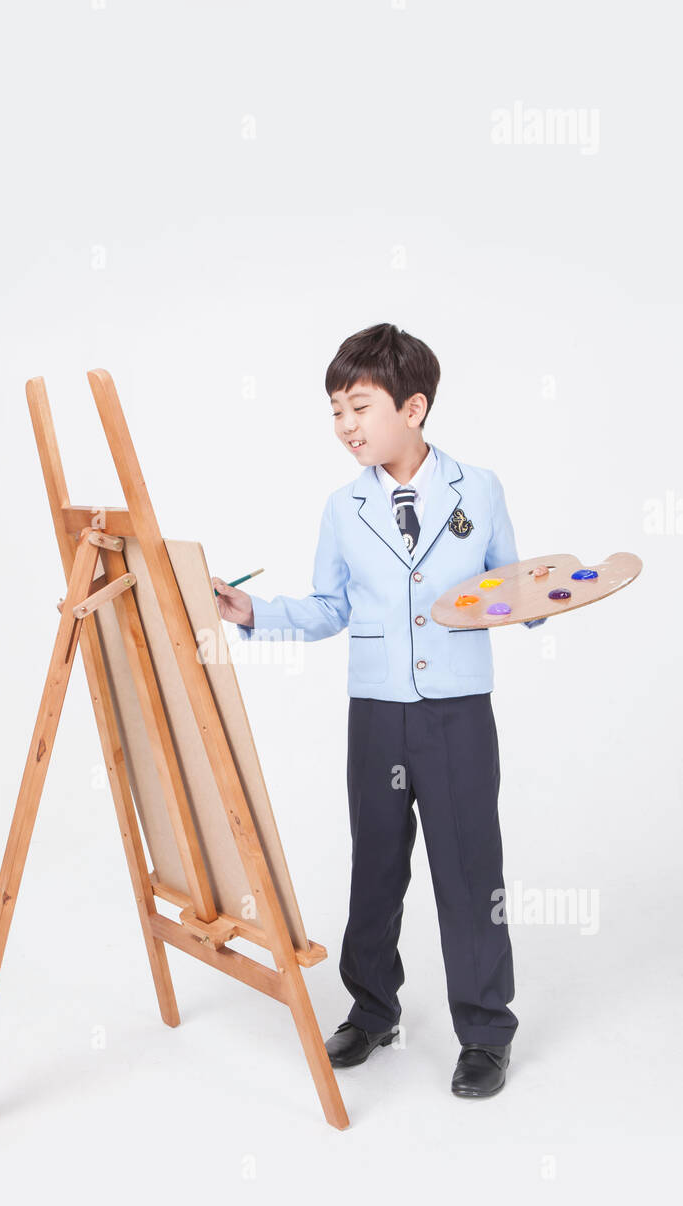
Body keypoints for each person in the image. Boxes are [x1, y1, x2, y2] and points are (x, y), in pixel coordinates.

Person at [211, 322, 546, 1099]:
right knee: (376, 868)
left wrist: (544, 602)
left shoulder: (480, 489)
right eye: (335, 411)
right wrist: (250, 608)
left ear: (415, 406)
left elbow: (510, 585)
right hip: (377, 715)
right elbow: (329, 607)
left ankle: (486, 1031)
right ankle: (371, 1011)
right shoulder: (342, 507)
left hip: (459, 714)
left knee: (469, 870)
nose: (346, 427)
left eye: (359, 407)